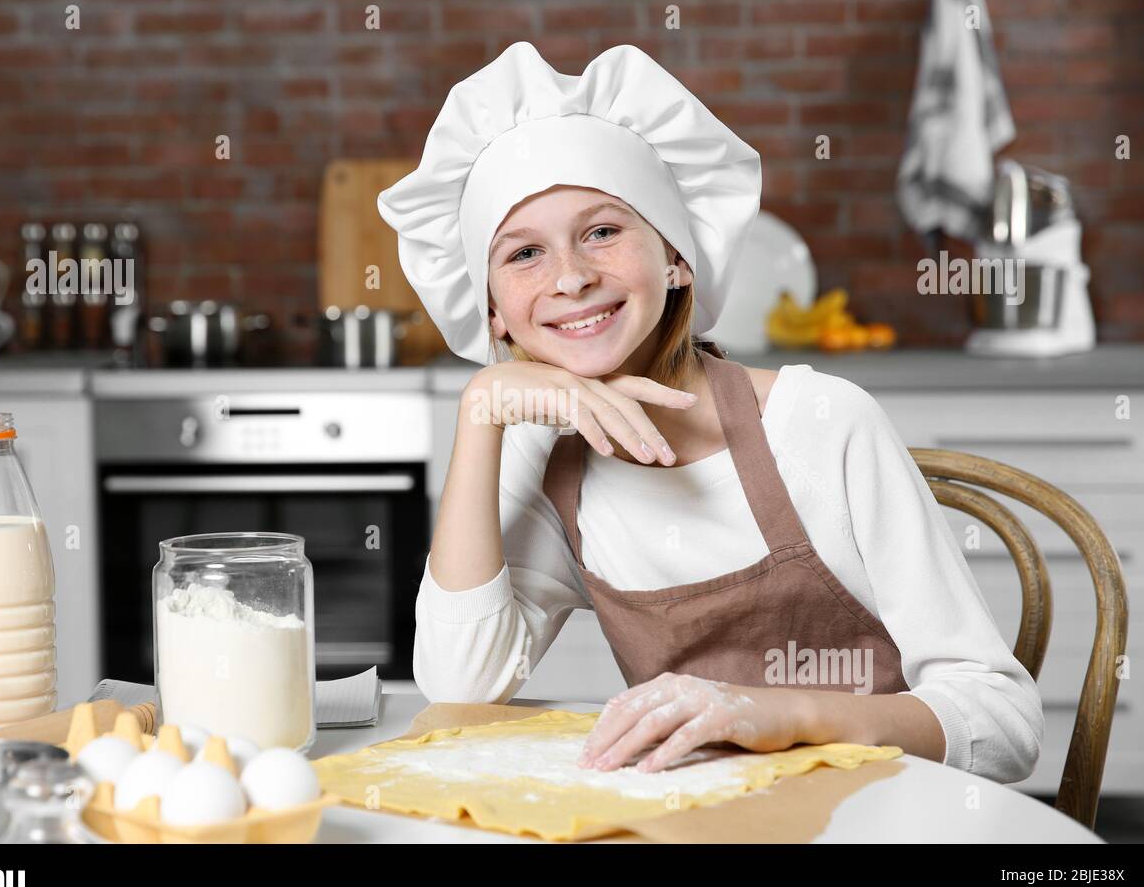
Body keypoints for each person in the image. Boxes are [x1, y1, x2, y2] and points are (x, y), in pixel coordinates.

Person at [377, 42, 1043, 782]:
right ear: (495, 313)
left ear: (678, 258)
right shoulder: (550, 464)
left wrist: (779, 714)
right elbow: (460, 686)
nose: (571, 277)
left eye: (603, 231)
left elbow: (1003, 723)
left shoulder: (821, 424)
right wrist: (481, 415)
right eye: (523, 253)